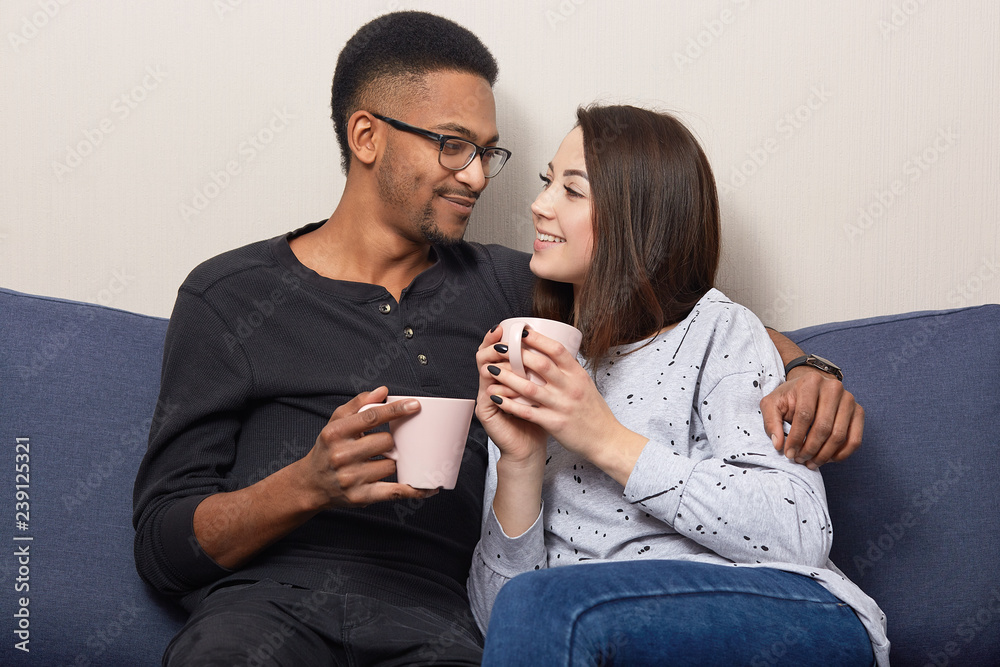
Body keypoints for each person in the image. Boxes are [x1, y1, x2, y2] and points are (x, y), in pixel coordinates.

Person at [132, 11, 865, 666]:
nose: (480, 176)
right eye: (454, 146)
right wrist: (307, 483)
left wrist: (804, 365)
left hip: (437, 623)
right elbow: (164, 546)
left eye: (489, 151)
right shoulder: (230, 295)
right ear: (367, 137)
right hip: (268, 607)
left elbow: (665, 302)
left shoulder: (523, 293)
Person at [467, 105, 889, 666]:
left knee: (552, 608)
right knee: (535, 605)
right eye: (548, 182)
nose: (538, 204)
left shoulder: (719, 330)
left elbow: (797, 531)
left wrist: (604, 439)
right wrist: (518, 462)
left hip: (789, 614)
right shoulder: (540, 368)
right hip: (606, 633)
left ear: (638, 217)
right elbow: (505, 621)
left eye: (572, 190)